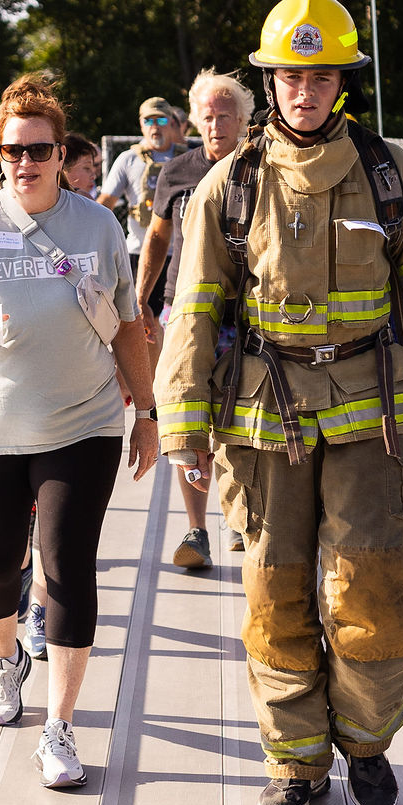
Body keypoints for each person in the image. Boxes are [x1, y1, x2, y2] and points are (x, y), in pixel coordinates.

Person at [159, 0, 403, 805]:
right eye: (291, 77)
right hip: (266, 417)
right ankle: (296, 763)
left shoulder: (391, 174)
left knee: (375, 584)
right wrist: (183, 422)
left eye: (321, 76)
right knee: (276, 590)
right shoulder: (231, 183)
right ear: (270, 83)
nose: (305, 91)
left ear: (342, 83)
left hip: (374, 412)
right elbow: (195, 306)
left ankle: (366, 746)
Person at [0, 72, 158, 788]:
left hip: (82, 423)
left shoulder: (98, 226)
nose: (25, 162)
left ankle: (60, 728)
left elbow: (126, 327)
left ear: (62, 155)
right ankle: (5, 660)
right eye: (12, 150)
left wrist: (147, 415)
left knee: (67, 568)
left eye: (39, 150)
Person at [136, 70, 253, 571]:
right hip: (183, 308)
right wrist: (140, 301)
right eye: (208, 116)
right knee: (186, 419)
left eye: (226, 115)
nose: (216, 124)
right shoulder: (177, 172)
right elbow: (157, 238)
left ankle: (240, 514)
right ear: (193, 121)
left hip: (245, 312)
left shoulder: (261, 168)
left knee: (243, 415)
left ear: (244, 121)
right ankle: (197, 529)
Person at [100, 98, 182, 315]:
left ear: (171, 122)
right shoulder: (128, 159)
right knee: (139, 318)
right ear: (140, 124)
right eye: (148, 120)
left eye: (161, 120)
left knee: (177, 321)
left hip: (180, 254)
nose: (155, 126)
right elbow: (104, 205)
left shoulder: (187, 158)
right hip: (138, 253)